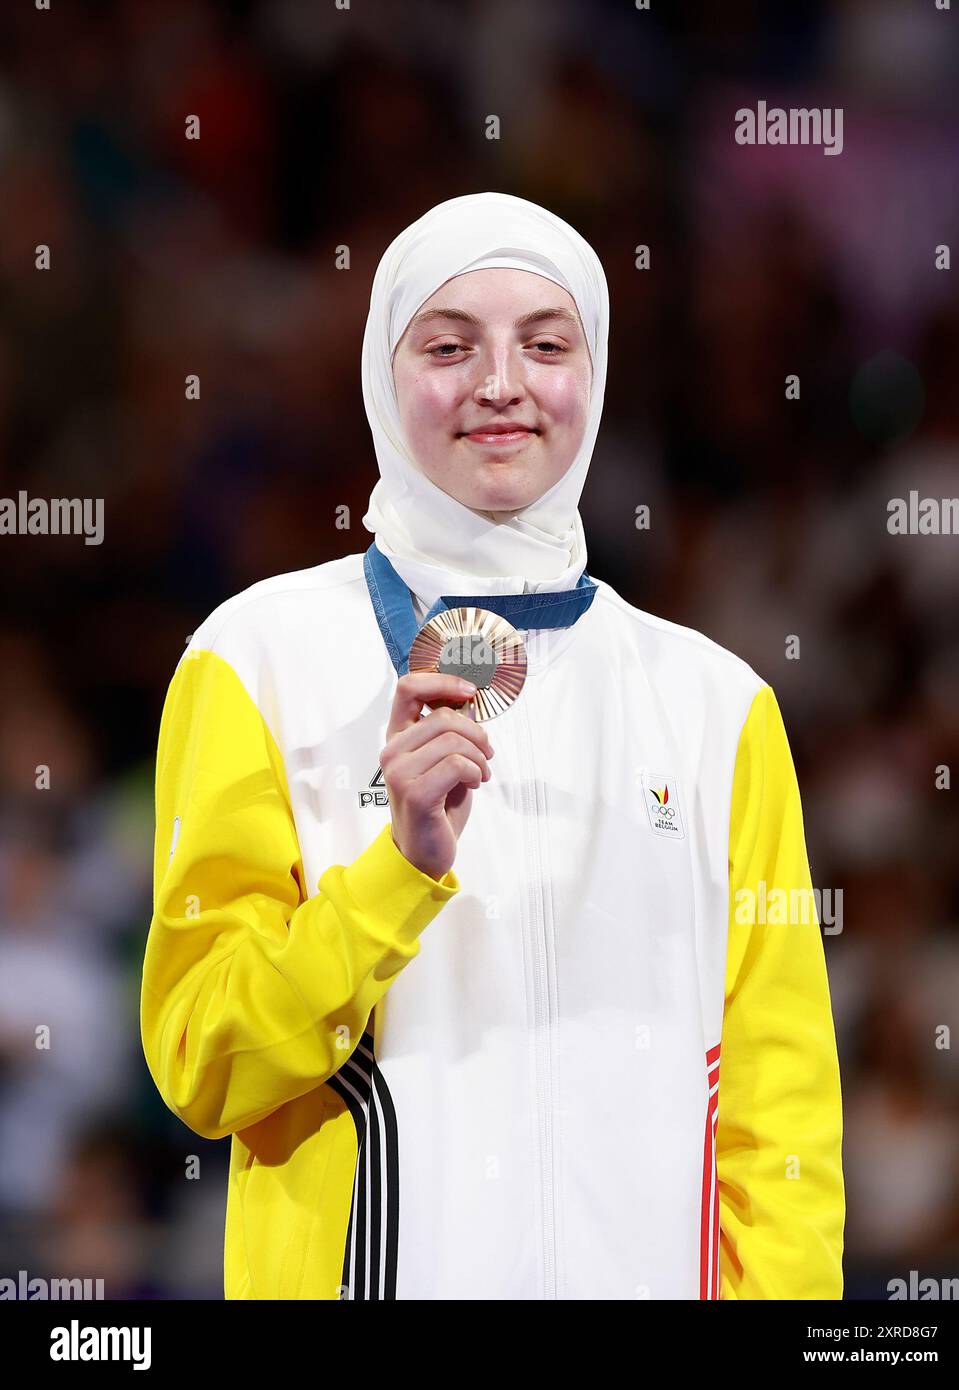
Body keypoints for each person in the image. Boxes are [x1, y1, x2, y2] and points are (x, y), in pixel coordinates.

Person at [140, 191, 844, 1300]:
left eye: (545, 344)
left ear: (595, 372)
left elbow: (777, 1114)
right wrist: (392, 877)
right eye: (450, 344)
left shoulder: (716, 705)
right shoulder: (256, 657)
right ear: (384, 372)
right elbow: (203, 1061)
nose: (501, 384)